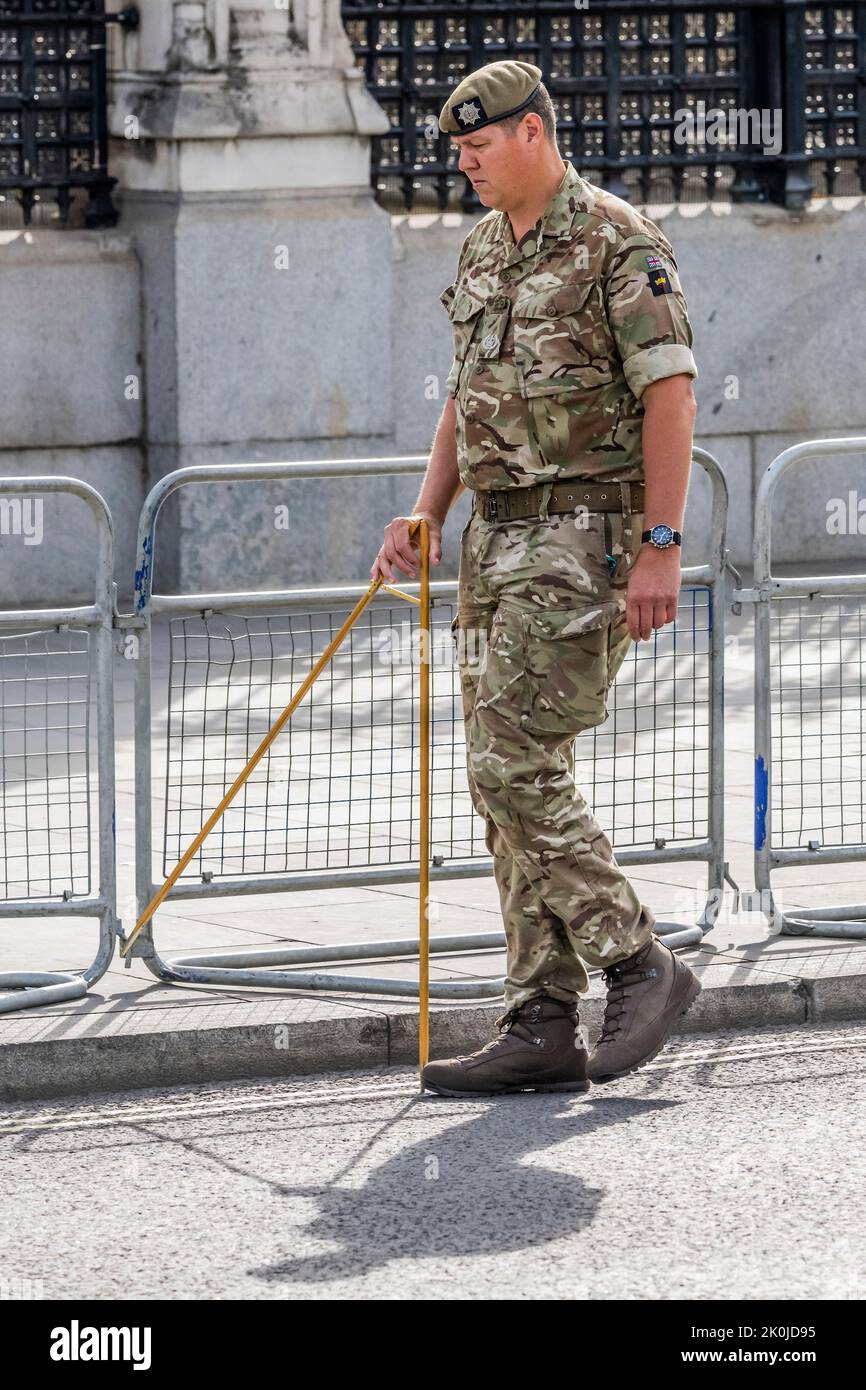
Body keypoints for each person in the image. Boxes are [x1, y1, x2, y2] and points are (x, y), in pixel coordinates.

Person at [370, 59, 702, 1096]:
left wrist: (660, 543)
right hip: (494, 546)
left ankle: (635, 958)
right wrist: (428, 511)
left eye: (476, 145)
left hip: (581, 541)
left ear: (531, 132)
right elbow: (464, 399)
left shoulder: (616, 239)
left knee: (512, 767)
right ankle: (540, 1017)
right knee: (501, 780)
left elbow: (670, 392)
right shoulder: (480, 250)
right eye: (457, 150)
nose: (463, 163)